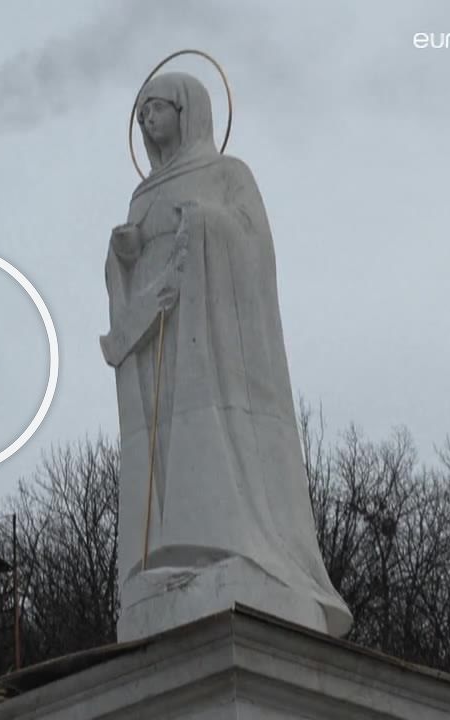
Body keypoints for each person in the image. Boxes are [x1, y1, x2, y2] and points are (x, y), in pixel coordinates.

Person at [101, 71, 352, 639]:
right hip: (160, 336)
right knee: (165, 438)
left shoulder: (227, 175)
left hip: (214, 345)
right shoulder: (141, 196)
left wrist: (199, 221)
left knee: (214, 436)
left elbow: (253, 247)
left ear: (188, 111)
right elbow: (125, 271)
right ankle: (170, 549)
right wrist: (124, 256)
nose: (147, 122)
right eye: (141, 115)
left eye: (156, 109)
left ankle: (235, 544)